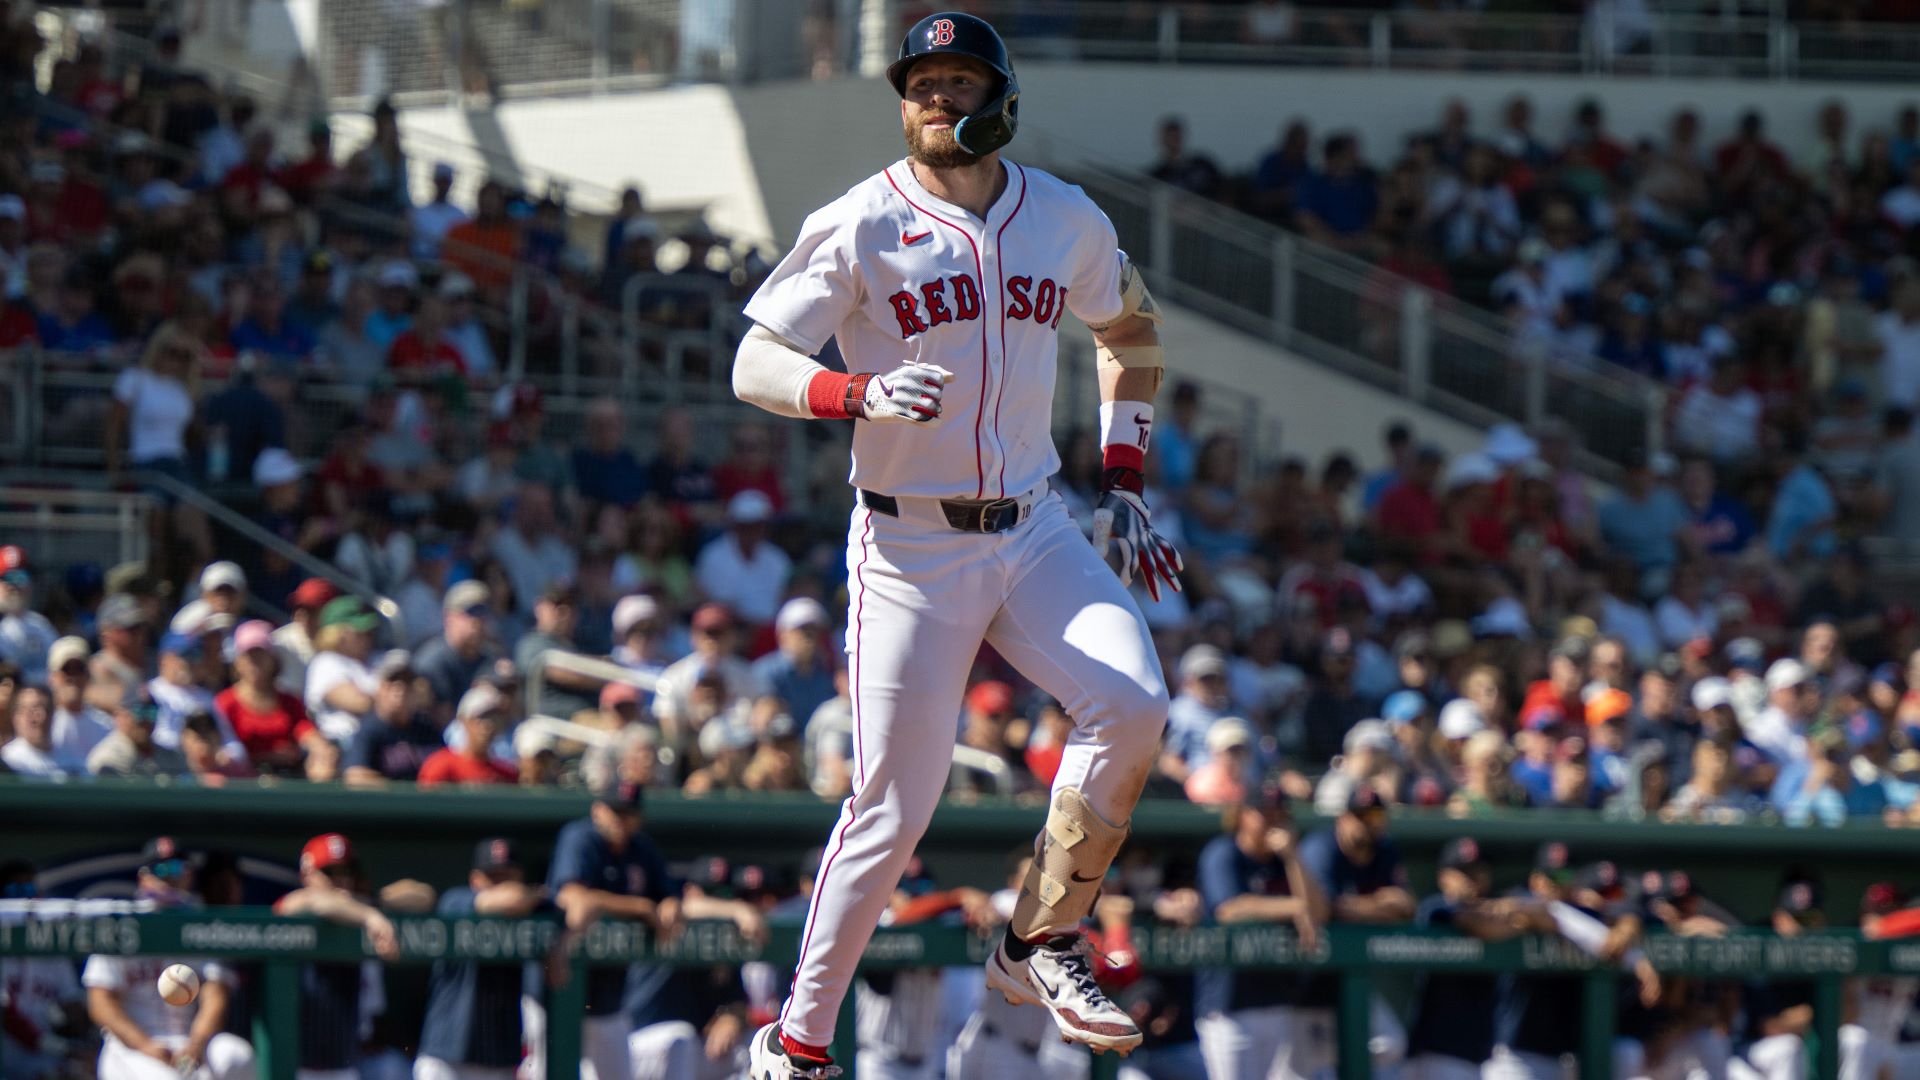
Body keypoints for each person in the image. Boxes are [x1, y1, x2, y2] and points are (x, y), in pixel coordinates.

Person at [733, 14, 1178, 1072]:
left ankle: (1039, 937)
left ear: (1001, 100)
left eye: (957, 80)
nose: (935, 98)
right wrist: (857, 391)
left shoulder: (1059, 217)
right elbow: (755, 359)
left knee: (1135, 703)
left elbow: (1132, 332)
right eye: (920, 82)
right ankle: (795, 1042)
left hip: (1034, 526)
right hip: (909, 549)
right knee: (892, 810)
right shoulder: (859, 224)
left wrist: (1125, 475)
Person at [82, 839, 257, 1080]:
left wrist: (195, 1045)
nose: (169, 877)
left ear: (189, 875)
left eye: (177, 869)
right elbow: (100, 1002)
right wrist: (145, 1045)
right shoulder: (121, 925)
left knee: (237, 1056)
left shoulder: (199, 924)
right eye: (160, 870)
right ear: (143, 877)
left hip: (187, 1041)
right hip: (130, 1048)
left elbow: (215, 994)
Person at [539, 781, 678, 1080]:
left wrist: (669, 905)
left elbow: (667, 894)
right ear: (597, 810)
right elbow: (572, 896)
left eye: (627, 813)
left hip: (607, 993)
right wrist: (640, 907)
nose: (620, 819)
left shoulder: (641, 848)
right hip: (557, 985)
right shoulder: (580, 837)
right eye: (614, 811)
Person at [1194, 785, 1329, 1080]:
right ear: (1243, 815)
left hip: (1279, 1000)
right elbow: (1228, 909)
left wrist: (1294, 857)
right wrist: (1293, 907)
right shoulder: (1223, 852)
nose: (1272, 822)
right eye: (1263, 814)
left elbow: (1318, 912)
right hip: (1230, 1004)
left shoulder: (1286, 862)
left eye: (1279, 815)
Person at [271, 834, 402, 1080]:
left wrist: (377, 903)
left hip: (341, 1066)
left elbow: (422, 896)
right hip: (290, 1066)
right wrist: (371, 916)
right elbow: (316, 901)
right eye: (330, 872)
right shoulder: (296, 903)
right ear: (307, 875)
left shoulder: (357, 911)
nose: (341, 880)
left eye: (347, 871)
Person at [415, 839, 546, 1080]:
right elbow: (512, 899)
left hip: (498, 1061)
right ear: (475, 879)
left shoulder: (533, 915)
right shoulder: (456, 901)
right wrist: (532, 895)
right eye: (493, 877)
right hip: (445, 1058)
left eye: (507, 876)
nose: (500, 884)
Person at [692, 490, 793, 627]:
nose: (751, 531)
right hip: (731, 630)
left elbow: (784, 600)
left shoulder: (778, 558)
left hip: (773, 630)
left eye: (757, 525)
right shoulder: (713, 556)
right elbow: (720, 607)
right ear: (734, 525)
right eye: (745, 526)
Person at [751, 597, 840, 736]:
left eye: (814, 631)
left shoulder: (825, 676)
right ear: (782, 634)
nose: (809, 637)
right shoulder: (765, 671)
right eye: (802, 630)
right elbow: (762, 721)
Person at [417, 685, 518, 788]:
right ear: (464, 721)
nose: (488, 725)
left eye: (494, 718)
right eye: (481, 718)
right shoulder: (441, 766)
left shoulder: (507, 774)